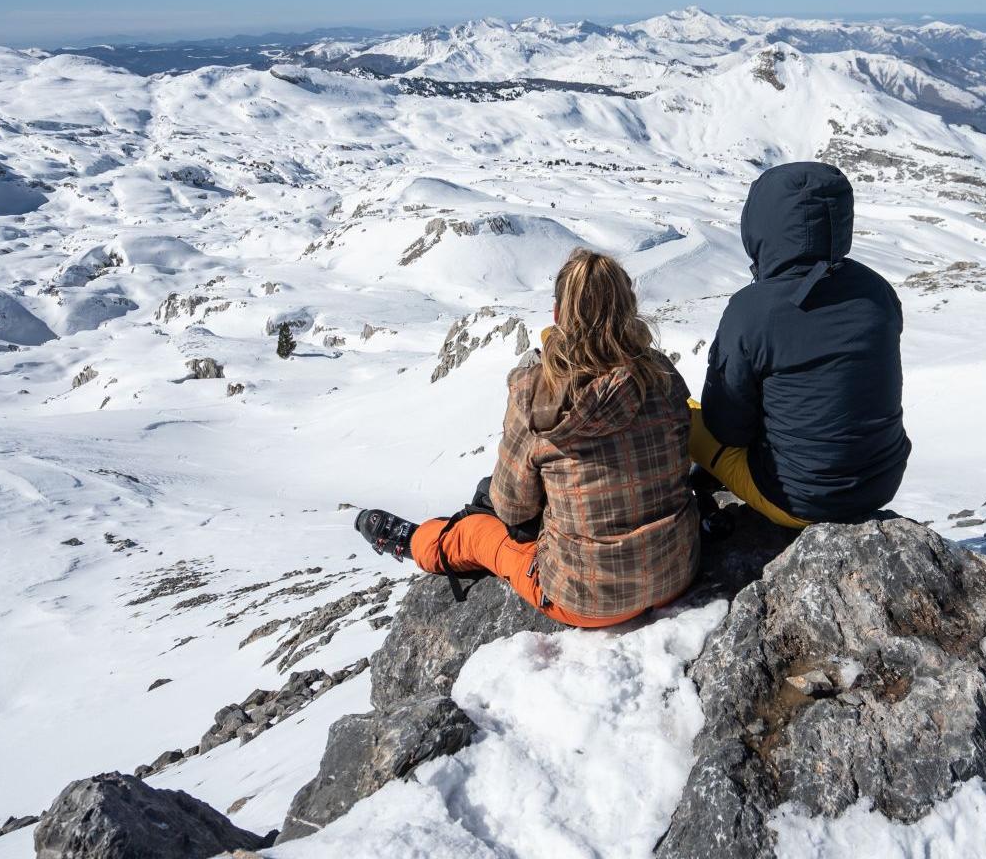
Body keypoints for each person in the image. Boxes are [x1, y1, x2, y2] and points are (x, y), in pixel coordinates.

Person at [354, 249, 698, 628]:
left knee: (476, 534)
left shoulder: (538, 393)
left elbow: (512, 508)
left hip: (585, 599)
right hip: (677, 572)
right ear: (628, 308)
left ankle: (417, 542)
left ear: (557, 315)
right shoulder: (661, 374)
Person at [693, 161, 910, 527]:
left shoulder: (752, 311)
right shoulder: (877, 290)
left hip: (799, 500)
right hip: (882, 481)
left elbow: (726, 428)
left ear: (761, 224)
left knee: (685, 421)